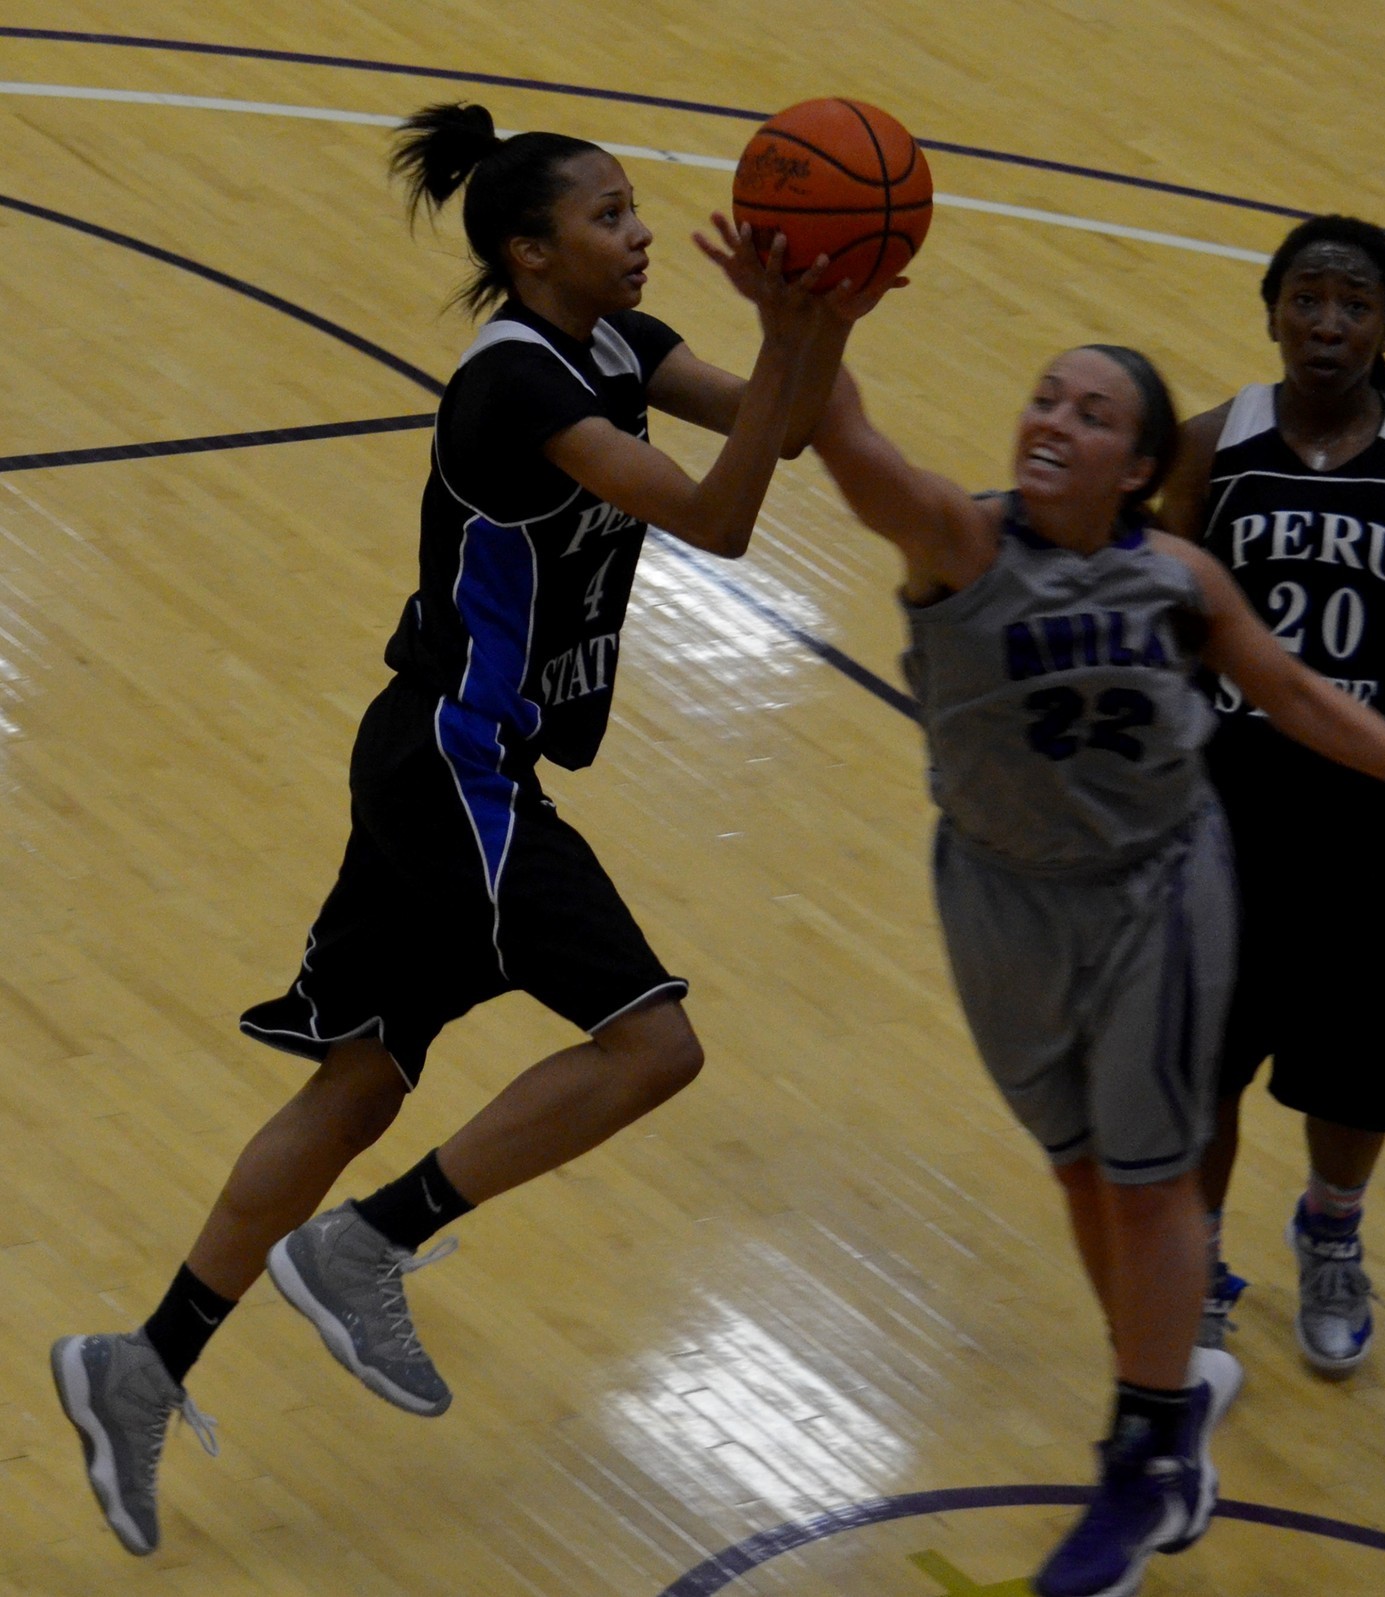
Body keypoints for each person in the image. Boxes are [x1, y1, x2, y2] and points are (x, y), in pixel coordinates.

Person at [50, 102, 878, 1557]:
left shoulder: (617, 344)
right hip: (457, 763)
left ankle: (143, 1363)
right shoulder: (511, 386)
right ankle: (371, 1241)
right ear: (528, 250)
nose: (639, 233)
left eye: (634, 208)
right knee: (653, 1045)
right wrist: (789, 340)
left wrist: (819, 321)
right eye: (609, 216)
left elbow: (789, 425)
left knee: (359, 1085)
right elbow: (723, 516)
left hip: (442, 757)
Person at [808, 342, 1385, 1597]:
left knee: (1149, 1180)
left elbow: (1292, 692)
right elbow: (849, 443)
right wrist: (808, 321)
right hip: (997, 894)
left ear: (1139, 466)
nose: (1052, 420)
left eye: (1091, 414)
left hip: (1156, 887)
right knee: (1081, 1168)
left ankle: (1144, 1458)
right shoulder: (960, 542)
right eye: (1043, 397)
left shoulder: (1177, 577)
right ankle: (1168, 1400)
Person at [1159, 215, 1385, 1375]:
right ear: (1271, 311)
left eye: (1354, 306)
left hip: (1365, 813)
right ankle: (1197, 1258)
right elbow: (1166, 617)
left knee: (1362, 1053)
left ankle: (1331, 1230)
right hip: (1222, 806)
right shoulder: (1211, 444)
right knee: (1205, 1055)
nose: (1326, 324)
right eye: (1306, 299)